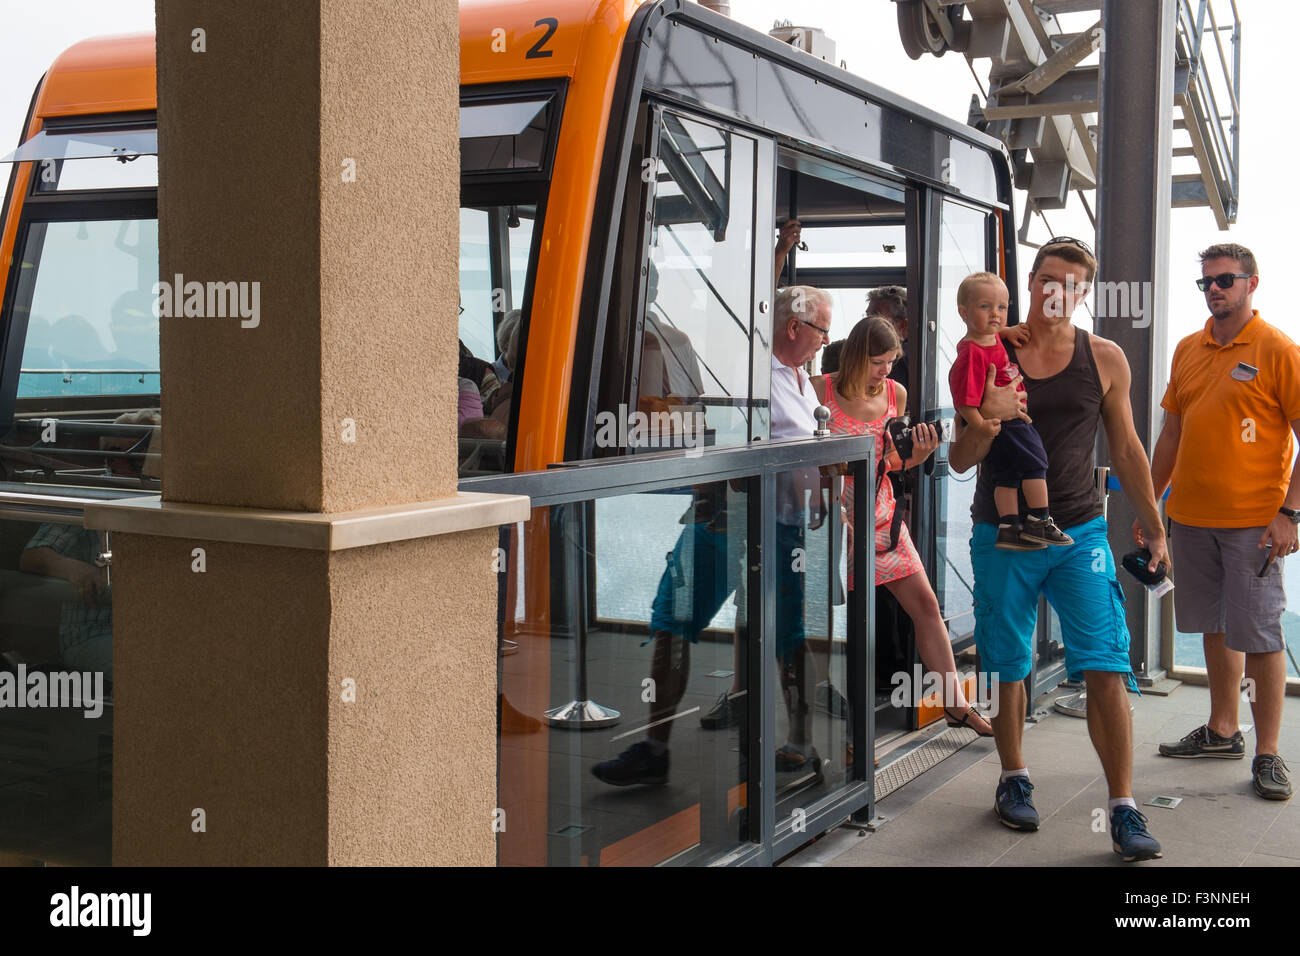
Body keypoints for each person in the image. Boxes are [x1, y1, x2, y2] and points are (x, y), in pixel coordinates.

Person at [948, 237, 1169, 861]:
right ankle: (1014, 777)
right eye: (1046, 279)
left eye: (1069, 285)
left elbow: (1127, 449)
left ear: (1082, 293)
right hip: (1001, 530)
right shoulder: (987, 350)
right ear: (1033, 281)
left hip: (1080, 532)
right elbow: (961, 458)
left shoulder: (1105, 357)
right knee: (1008, 661)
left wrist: (1155, 526)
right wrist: (986, 420)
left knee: (1105, 662)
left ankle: (1123, 807)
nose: (1055, 293)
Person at [591, 285, 832, 785]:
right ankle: (654, 749)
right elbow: (720, 438)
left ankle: (801, 743)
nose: (824, 343)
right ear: (794, 328)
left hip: (777, 527)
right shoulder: (751, 374)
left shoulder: (799, 379)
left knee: (787, 636)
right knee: (672, 623)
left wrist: (817, 495)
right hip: (724, 521)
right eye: (822, 332)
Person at [1143, 243, 1297, 800]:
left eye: (1226, 280)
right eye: (1206, 281)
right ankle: (1222, 729)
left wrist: (1289, 513)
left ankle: (1269, 752)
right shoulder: (1188, 348)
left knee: (1259, 635)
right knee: (1213, 626)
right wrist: (1152, 504)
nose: (1215, 289)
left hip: (1254, 525)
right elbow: (1171, 435)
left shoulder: (1278, 349)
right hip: (1190, 519)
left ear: (1252, 284)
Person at [812, 316, 993, 737]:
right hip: (833, 523)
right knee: (834, 621)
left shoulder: (896, 393)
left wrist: (921, 455)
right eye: (879, 361)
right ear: (858, 355)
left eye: (892, 361)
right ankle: (833, 721)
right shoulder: (821, 390)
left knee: (926, 607)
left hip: (882, 519)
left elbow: (889, 463)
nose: (887, 371)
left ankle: (955, 704)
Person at [950, 272, 1072, 550]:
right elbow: (965, 401)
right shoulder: (971, 355)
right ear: (964, 312)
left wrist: (1006, 330)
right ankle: (1039, 519)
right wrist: (980, 424)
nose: (995, 314)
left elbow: (990, 333)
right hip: (1010, 421)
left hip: (1005, 423)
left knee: (1007, 473)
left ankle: (1008, 526)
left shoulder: (987, 340)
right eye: (985, 307)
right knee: (1036, 462)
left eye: (1002, 307)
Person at [866, 285, 910, 387]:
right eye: (867, 316)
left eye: (877, 318)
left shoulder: (901, 362)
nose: (867, 324)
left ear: (902, 326)